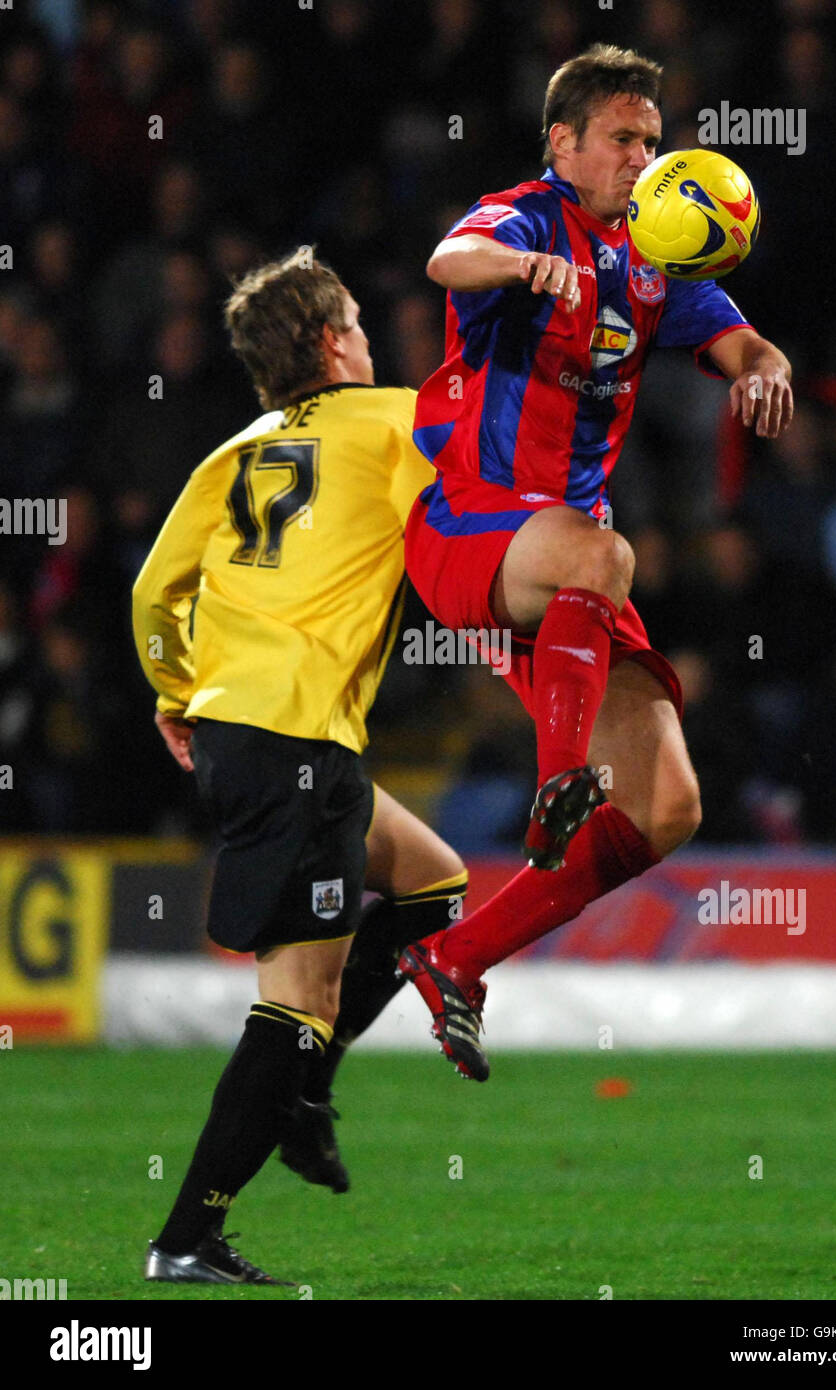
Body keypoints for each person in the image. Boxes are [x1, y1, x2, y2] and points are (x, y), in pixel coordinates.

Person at [397, 44, 793, 1080]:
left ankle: (454, 958)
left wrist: (767, 368)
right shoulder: (524, 215)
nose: (641, 158)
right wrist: (525, 267)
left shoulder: (654, 260)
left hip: (570, 573)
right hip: (471, 527)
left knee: (668, 805)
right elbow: (448, 261)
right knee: (604, 549)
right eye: (623, 139)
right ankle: (558, 778)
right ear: (563, 142)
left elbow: (740, 342)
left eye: (652, 141)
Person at [132, 249, 466, 1284]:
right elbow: (464, 512)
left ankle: (308, 1097)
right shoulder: (394, 419)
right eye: (357, 321)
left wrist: (173, 693)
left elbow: (153, 593)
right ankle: (188, 1236)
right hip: (302, 744)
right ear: (329, 341)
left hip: (244, 734)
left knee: (434, 883)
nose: (369, 337)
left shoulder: (229, 455)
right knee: (294, 1004)